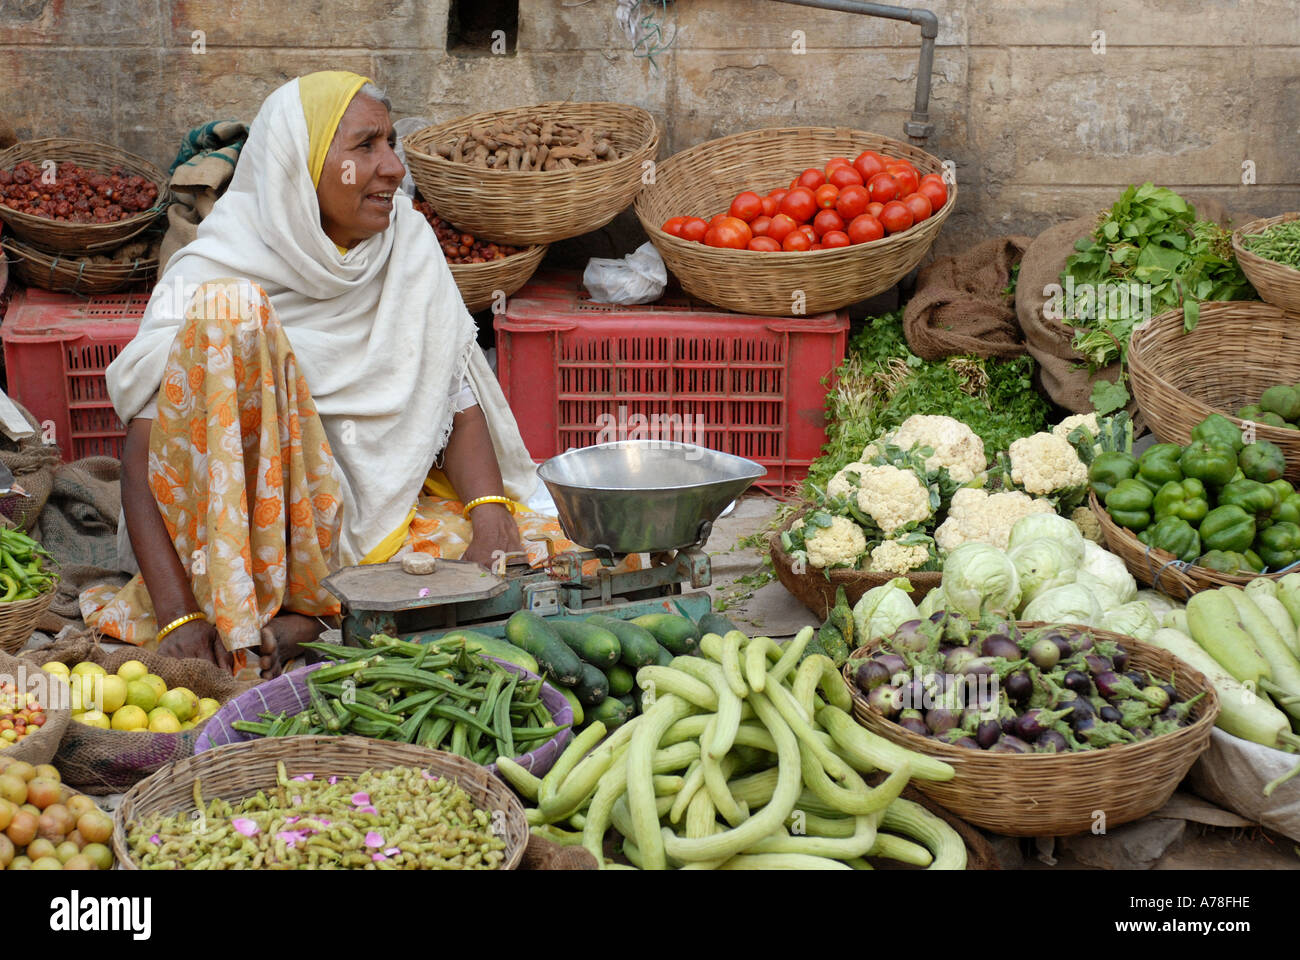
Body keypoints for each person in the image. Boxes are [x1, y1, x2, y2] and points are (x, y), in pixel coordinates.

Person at [84, 72, 587, 677]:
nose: (394, 167)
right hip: (241, 540)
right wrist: (178, 617)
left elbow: (450, 390)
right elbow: (147, 449)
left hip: (370, 514)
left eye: (392, 143)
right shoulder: (216, 270)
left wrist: (488, 509)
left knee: (489, 561)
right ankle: (279, 610)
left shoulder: (409, 243)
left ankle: (318, 620)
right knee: (229, 311)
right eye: (366, 146)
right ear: (302, 166)